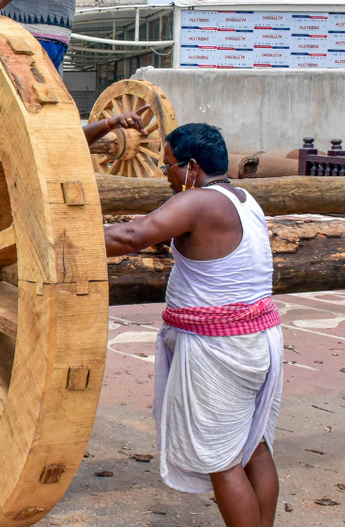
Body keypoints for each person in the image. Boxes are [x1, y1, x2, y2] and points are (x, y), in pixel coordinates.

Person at [103, 123, 282, 527]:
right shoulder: (243, 198)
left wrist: (61, 234)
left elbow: (132, 236)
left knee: (221, 461)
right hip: (259, 339)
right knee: (254, 446)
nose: (165, 174)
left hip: (221, 349)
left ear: (192, 167)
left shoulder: (198, 202)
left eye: (168, 165)